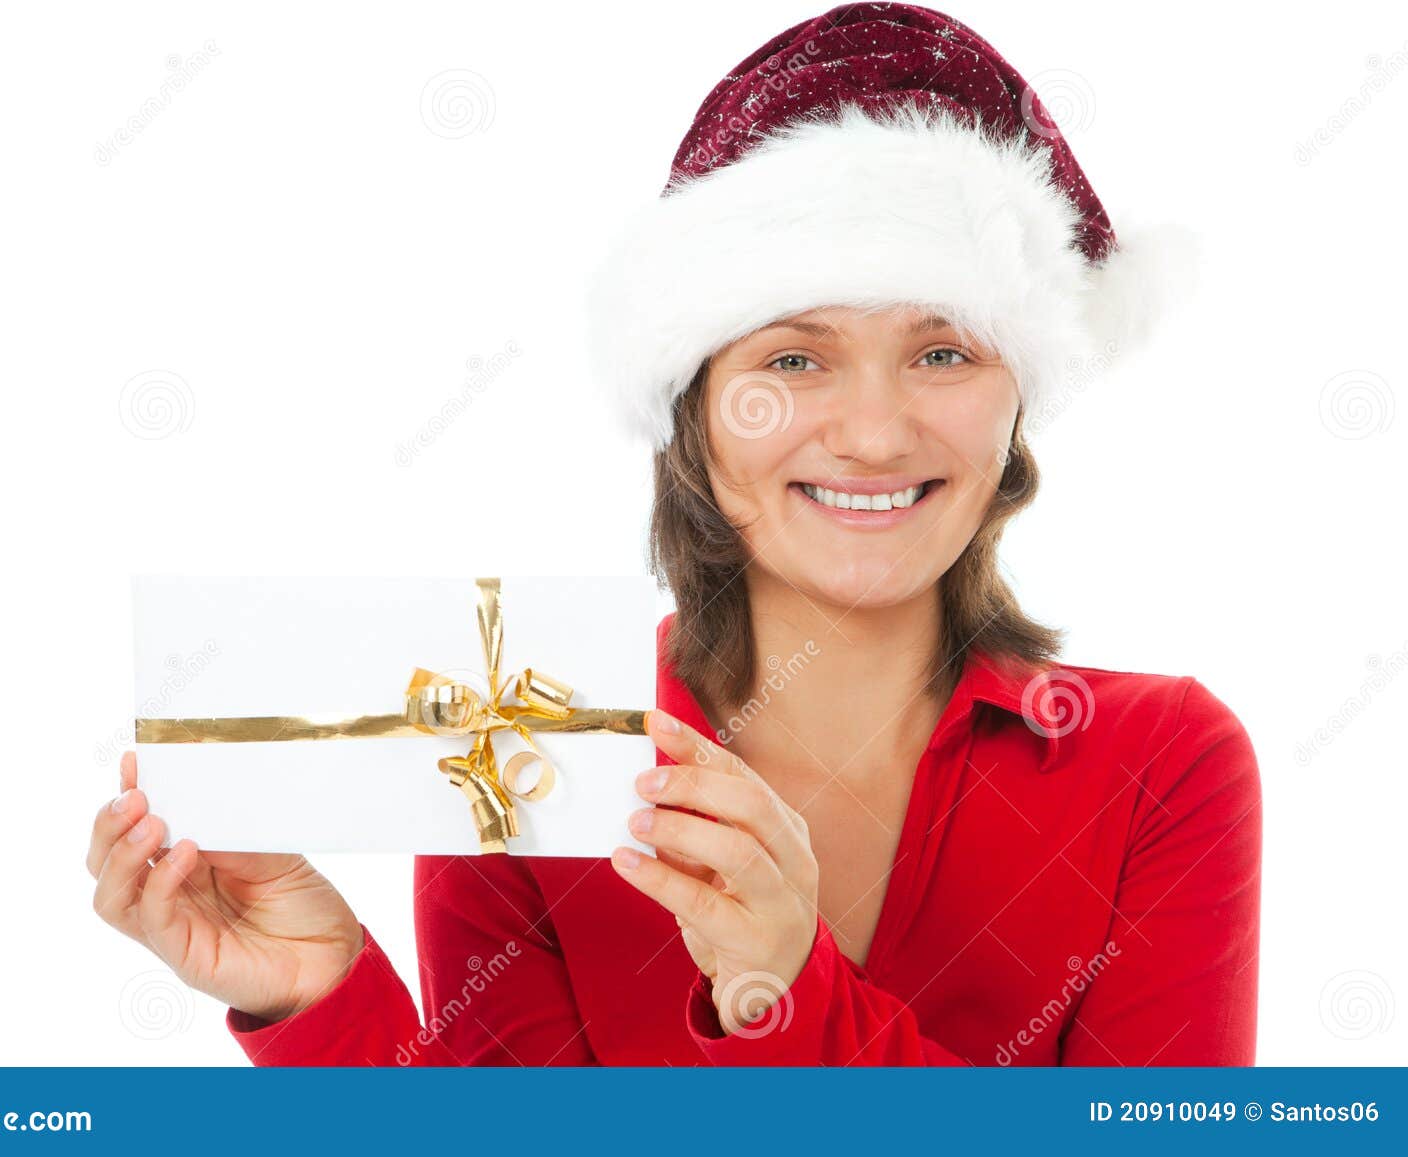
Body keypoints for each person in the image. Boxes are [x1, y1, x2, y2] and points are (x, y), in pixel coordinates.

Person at [88, 3, 1260, 1066]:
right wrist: (321, 998)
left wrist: (785, 990)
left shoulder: (1164, 766)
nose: (870, 431)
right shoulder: (523, 756)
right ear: (691, 409)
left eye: (943, 351)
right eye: (791, 359)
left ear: (1018, 400)